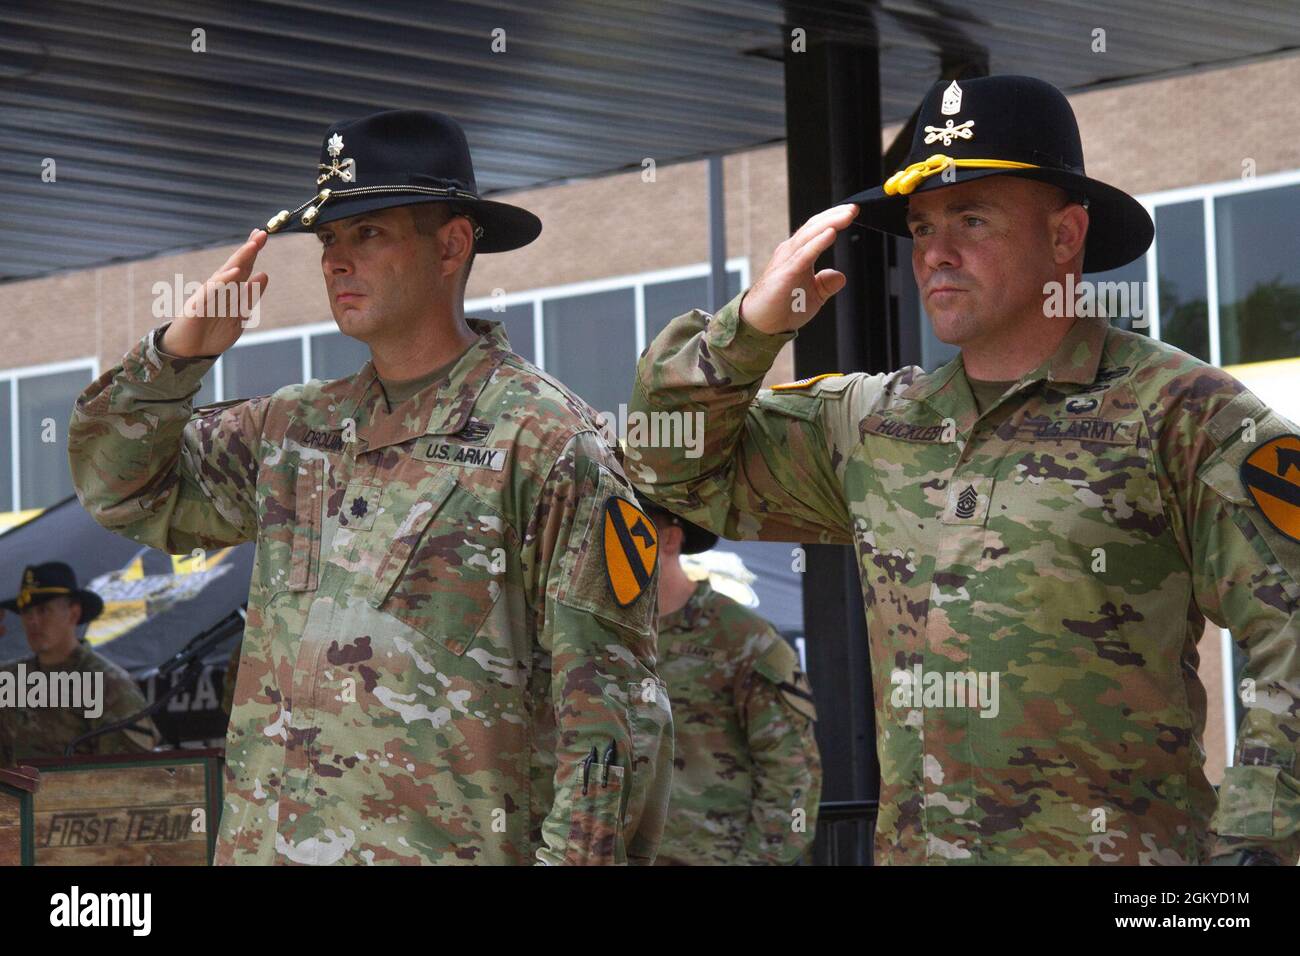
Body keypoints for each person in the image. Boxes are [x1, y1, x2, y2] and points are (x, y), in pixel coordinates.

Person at [625, 74, 1300, 865]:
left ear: (1065, 236)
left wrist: (1259, 842)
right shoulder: (874, 423)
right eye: (921, 226)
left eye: (971, 219)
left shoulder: (1185, 413)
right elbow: (667, 467)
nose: (936, 253)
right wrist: (746, 330)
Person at [68, 109, 671, 865]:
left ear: (451, 245)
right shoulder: (293, 428)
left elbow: (611, 722)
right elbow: (119, 488)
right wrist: (176, 356)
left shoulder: (546, 442)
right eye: (328, 240)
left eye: (369, 233)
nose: (336, 262)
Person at [647, 504, 821, 865]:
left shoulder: (743, 639)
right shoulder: (598, 635)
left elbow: (791, 773)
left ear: (669, 539)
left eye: (629, 528)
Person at [0, 562, 159, 766]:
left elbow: (133, 774)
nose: (33, 622)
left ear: (73, 613)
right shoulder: (11, 680)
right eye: (26, 612)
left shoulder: (106, 684)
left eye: (43, 610)